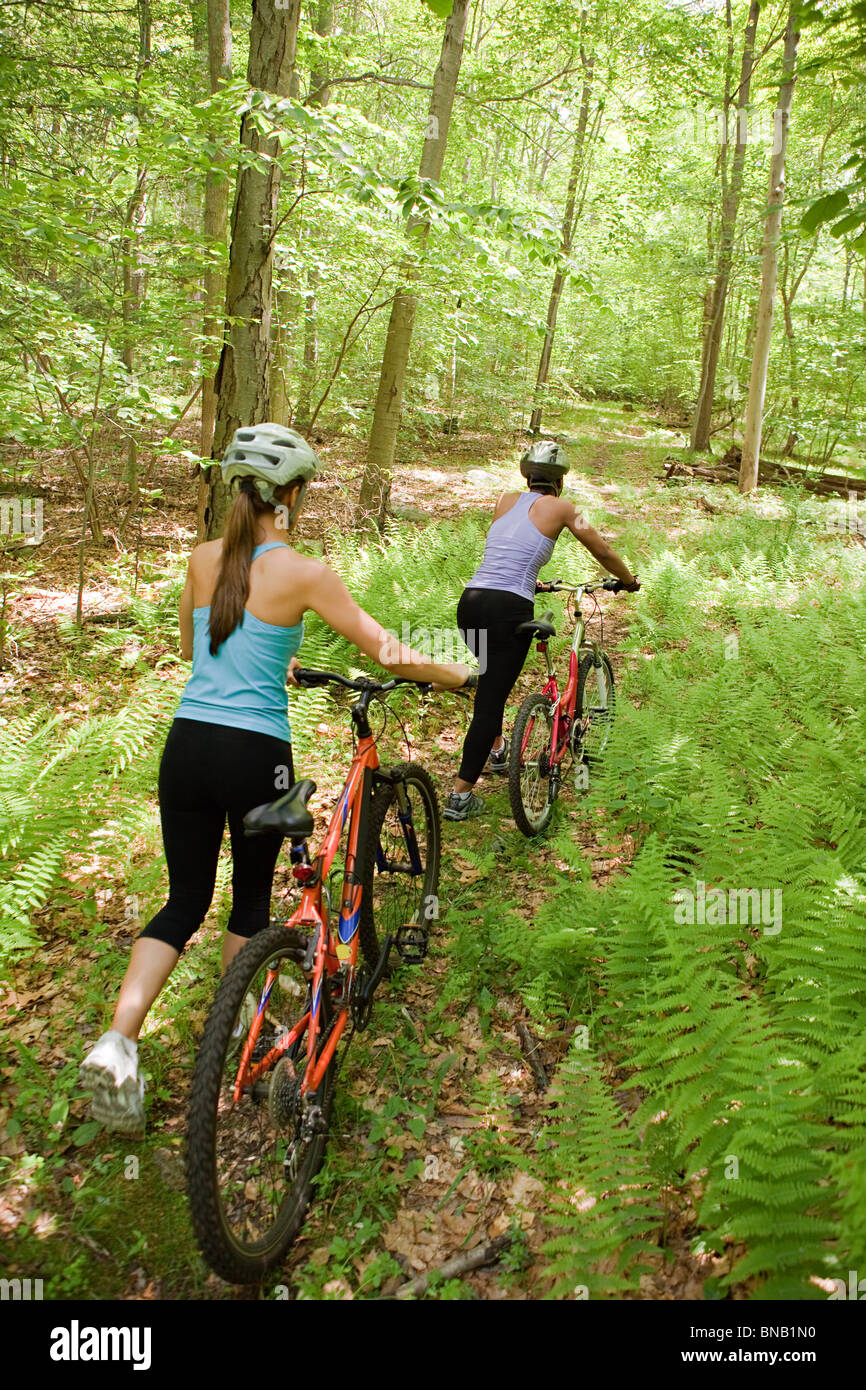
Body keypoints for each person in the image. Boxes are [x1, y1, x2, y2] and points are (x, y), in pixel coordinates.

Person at [79, 423, 472, 1133]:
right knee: (250, 900)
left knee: (184, 899)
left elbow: (198, 651)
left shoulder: (202, 560)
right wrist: (455, 673)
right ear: (289, 494)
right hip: (254, 753)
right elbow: (388, 652)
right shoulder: (305, 572)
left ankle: (119, 1041)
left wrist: (267, 662)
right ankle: (238, 1033)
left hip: (186, 746)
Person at [443, 440, 640, 822]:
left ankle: (498, 751)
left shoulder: (504, 500)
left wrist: (533, 582)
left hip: (472, 602)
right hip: (507, 608)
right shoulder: (564, 508)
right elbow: (601, 551)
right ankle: (460, 796)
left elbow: (506, 553)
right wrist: (628, 580)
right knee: (490, 700)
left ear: (526, 475)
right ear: (560, 481)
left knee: (490, 682)